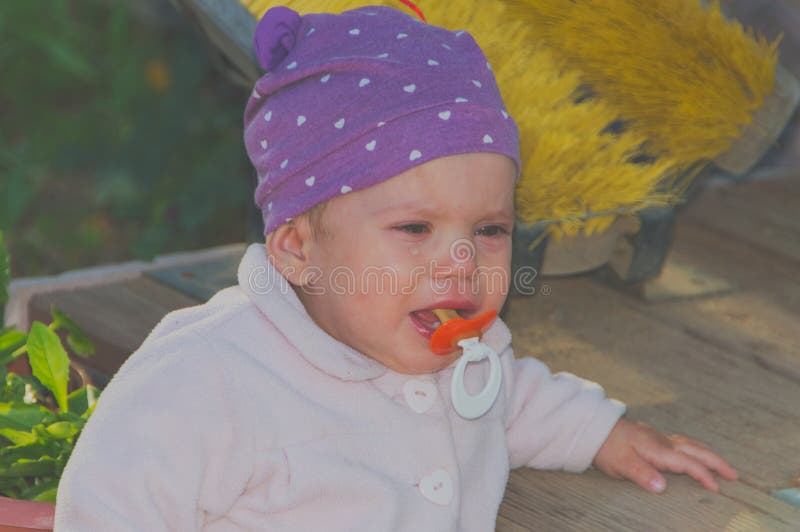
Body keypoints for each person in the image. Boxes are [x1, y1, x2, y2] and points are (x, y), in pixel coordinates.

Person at [54, 5, 737, 530]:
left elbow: (506, 398)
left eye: (491, 229)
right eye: (415, 228)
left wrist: (603, 434)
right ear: (298, 247)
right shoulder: (211, 378)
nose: (462, 262)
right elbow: (112, 500)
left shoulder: (464, 355)